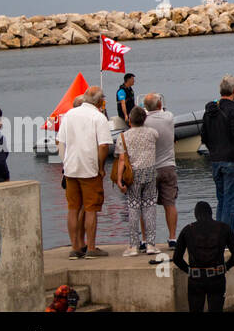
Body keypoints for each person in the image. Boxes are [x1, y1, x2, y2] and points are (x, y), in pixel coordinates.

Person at [56, 86, 114, 258]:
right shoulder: (98, 117)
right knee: (91, 209)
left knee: (73, 209)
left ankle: (75, 247)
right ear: (99, 101)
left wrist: (65, 161)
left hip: (70, 169)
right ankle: (91, 247)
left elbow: (60, 141)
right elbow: (103, 146)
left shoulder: (69, 115)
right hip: (90, 169)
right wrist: (101, 167)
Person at [172, 200, 234, 312]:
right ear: (211, 213)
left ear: (196, 215)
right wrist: (226, 267)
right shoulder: (224, 228)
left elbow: (176, 258)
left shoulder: (187, 230)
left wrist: (189, 270)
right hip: (217, 276)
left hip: (196, 278)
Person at [201, 75, 234, 233]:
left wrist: (214, 150)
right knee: (231, 202)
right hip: (232, 160)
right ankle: (227, 238)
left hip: (215, 161)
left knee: (221, 200)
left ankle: (218, 236)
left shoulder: (209, 112)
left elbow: (204, 137)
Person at [116, 106, 159, 256]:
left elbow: (122, 160)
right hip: (150, 173)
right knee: (150, 207)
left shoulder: (123, 137)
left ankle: (134, 246)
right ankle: (151, 244)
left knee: (134, 208)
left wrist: (119, 179)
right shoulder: (153, 133)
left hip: (133, 175)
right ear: (144, 119)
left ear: (130, 120)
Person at [143, 92, 179, 248]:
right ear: (160, 105)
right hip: (167, 166)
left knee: (146, 205)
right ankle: (172, 238)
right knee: (170, 203)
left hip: (149, 167)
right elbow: (165, 111)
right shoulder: (169, 117)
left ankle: (146, 240)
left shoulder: (144, 121)